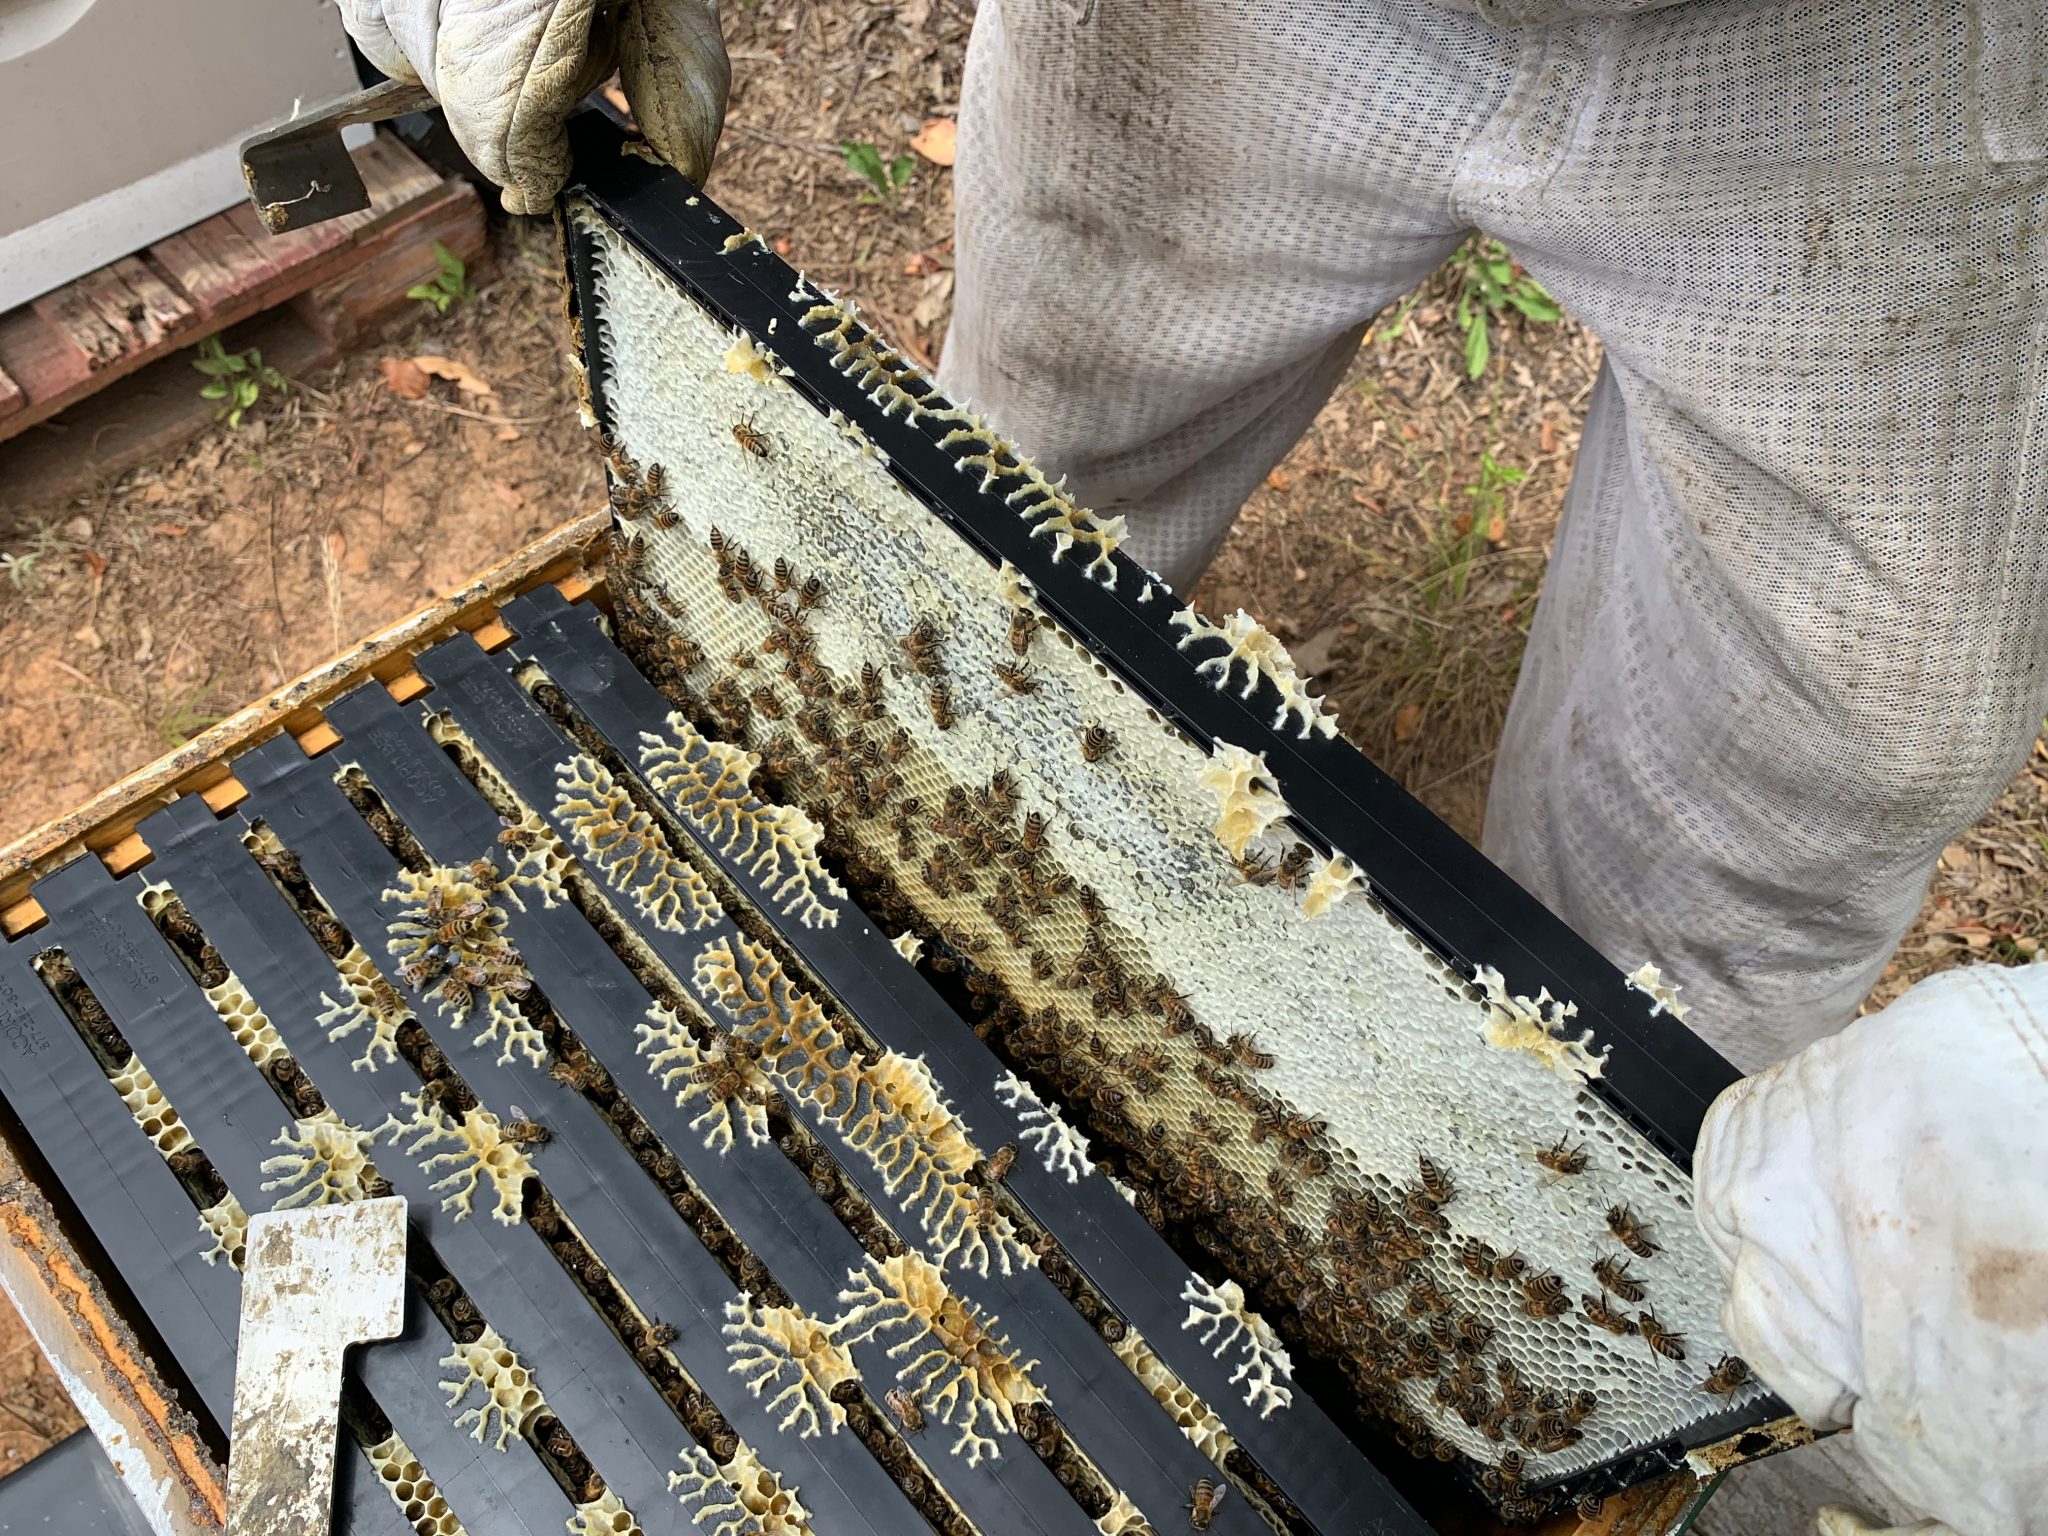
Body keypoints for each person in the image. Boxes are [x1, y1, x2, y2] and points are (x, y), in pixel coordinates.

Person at [331, 2, 2048, 1531]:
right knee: (1000, 527)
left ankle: (1540, 1302)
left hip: (1888, 61)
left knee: (1779, 807)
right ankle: (922, 968)